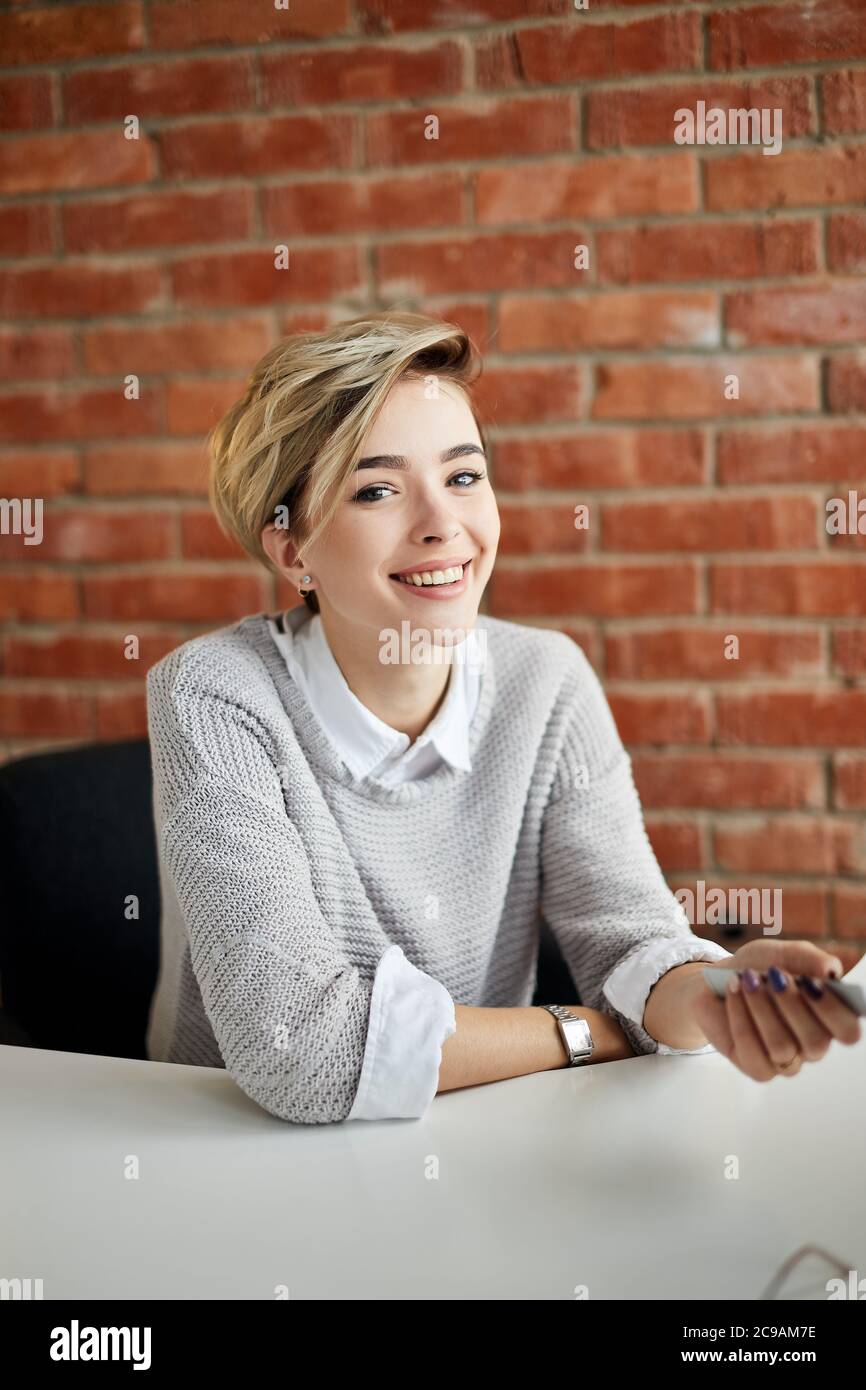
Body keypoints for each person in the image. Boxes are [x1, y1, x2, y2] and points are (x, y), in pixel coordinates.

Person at [144, 311, 861, 1125]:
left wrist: (716, 995)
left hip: (482, 1138)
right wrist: (589, 1033)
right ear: (292, 549)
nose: (442, 524)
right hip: (231, 1161)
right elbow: (303, 1054)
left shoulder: (543, 680)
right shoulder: (212, 693)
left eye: (463, 476)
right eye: (376, 489)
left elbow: (632, 948)